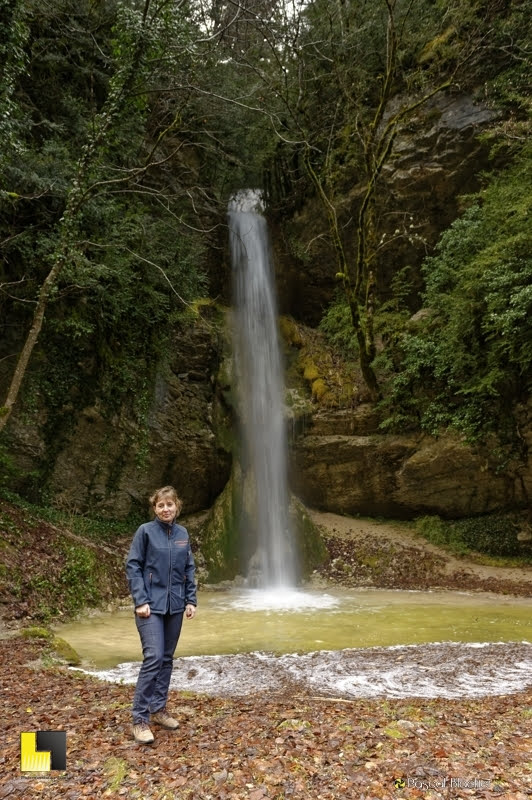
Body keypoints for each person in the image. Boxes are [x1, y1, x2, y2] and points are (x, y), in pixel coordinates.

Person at [126, 485, 197, 744]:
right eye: (161, 505)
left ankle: (158, 709)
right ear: (155, 508)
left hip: (175, 605)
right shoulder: (145, 532)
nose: (166, 509)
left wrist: (191, 599)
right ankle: (139, 719)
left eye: (170, 504)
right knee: (153, 657)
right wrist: (140, 600)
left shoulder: (182, 534)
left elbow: (188, 567)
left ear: (177, 506)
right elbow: (133, 566)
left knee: (167, 658)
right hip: (150, 606)